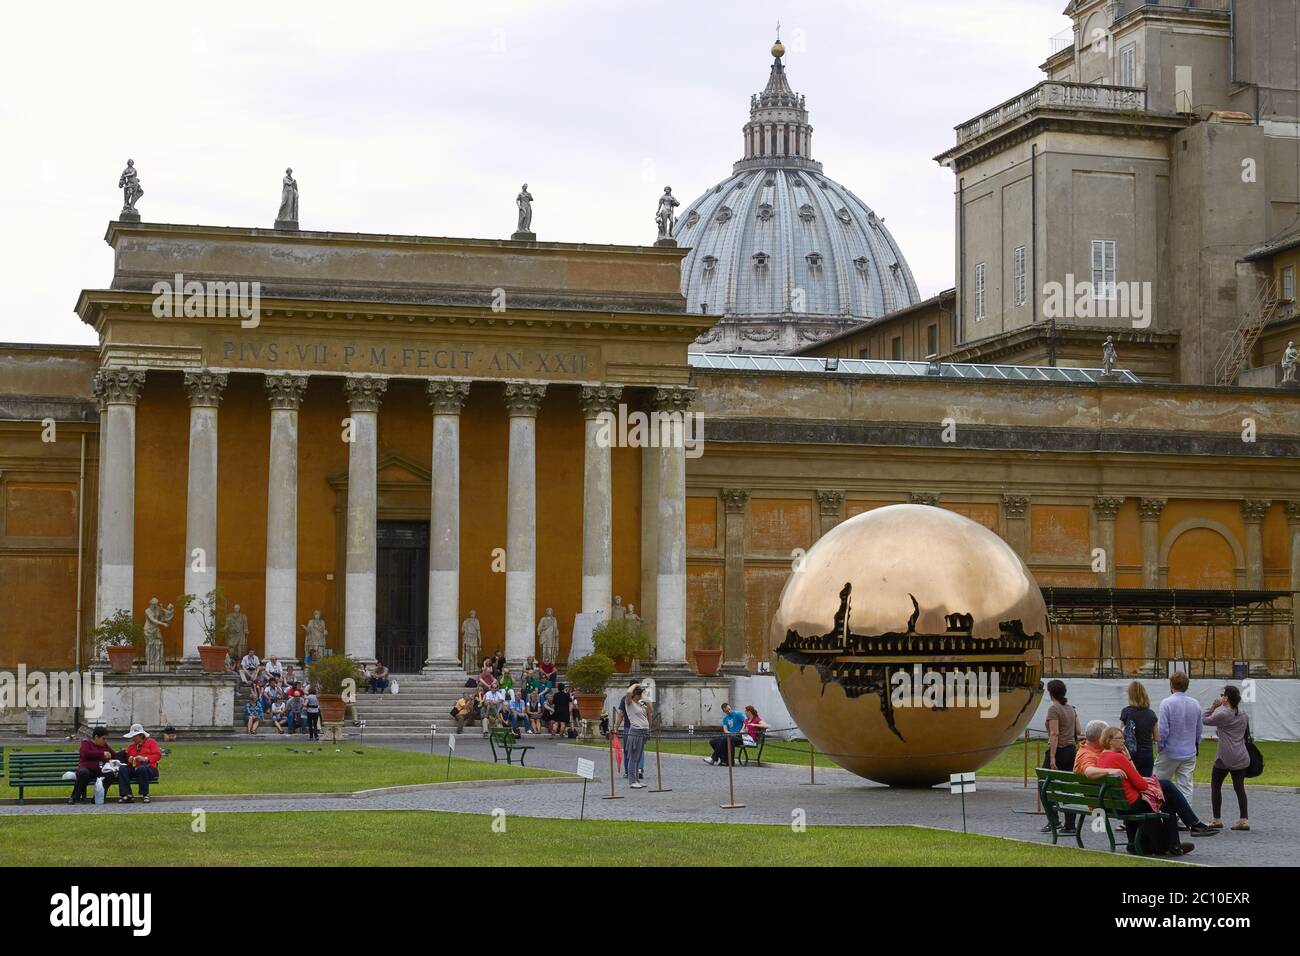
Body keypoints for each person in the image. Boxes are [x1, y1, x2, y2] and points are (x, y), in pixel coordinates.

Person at [1072, 720, 1217, 838]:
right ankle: (1187, 830)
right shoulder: (1090, 755)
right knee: (1166, 790)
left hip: (1110, 800)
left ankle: (1177, 840)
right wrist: (1116, 767)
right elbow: (1090, 772)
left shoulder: (1098, 754)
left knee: (1166, 792)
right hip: (1116, 803)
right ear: (1103, 739)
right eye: (1120, 738)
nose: (1124, 741)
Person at [1096, 726, 1193, 856]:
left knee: (1166, 789)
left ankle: (1144, 844)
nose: (1123, 741)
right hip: (1130, 803)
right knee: (1167, 799)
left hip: (1115, 804)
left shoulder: (1101, 757)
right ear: (1109, 741)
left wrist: (1129, 760)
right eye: (1119, 738)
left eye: (1123, 738)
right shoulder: (1119, 758)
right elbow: (1142, 785)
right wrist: (1128, 759)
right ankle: (1175, 842)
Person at [1204, 685, 1251, 831]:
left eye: (1223, 695)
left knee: (1216, 785)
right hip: (1241, 754)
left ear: (1226, 698)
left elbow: (1203, 719)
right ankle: (1244, 819)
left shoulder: (1223, 714)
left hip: (1225, 755)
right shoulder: (1243, 714)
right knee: (1239, 787)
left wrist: (1212, 706)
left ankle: (1216, 819)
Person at [1039, 679, 1080, 835]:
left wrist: (1052, 757)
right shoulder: (1071, 708)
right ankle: (1070, 824)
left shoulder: (1053, 709)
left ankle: (1054, 821)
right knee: (1067, 787)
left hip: (1059, 750)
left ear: (1051, 693)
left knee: (1043, 785)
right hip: (1071, 750)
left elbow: (1055, 733)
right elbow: (1078, 729)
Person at [1156, 671, 1202, 802]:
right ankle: (1184, 818)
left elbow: (1163, 729)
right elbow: (1199, 729)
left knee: (1157, 782)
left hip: (1170, 751)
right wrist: (1195, 743)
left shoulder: (1167, 703)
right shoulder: (1195, 703)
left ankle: (1157, 813)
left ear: (1171, 685)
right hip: (1189, 751)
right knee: (1186, 786)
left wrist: (1160, 745)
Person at [116, 724, 163, 804]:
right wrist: (129, 760)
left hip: (149, 768)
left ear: (141, 735)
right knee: (122, 769)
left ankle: (145, 794)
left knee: (142, 769)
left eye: (134, 736)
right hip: (134, 768)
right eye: (132, 736)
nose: (132, 738)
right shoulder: (131, 746)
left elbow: (157, 755)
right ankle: (127, 795)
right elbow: (126, 759)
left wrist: (145, 759)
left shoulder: (151, 742)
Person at [69, 727, 118, 804]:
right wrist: (102, 754)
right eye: (103, 739)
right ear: (96, 737)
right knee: (83, 773)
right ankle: (74, 797)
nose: (105, 741)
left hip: (100, 770)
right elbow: (86, 753)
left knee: (110, 774)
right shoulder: (86, 743)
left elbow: (114, 755)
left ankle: (98, 797)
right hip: (87, 769)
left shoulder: (105, 745)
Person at [1120, 681, 1158, 776]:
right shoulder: (1151, 714)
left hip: (1131, 754)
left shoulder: (1126, 712)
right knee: (1146, 783)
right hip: (1147, 754)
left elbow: (1120, 733)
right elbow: (1157, 737)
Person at [623, 684, 652, 790]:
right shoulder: (629, 703)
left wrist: (646, 697)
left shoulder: (641, 704)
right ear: (636, 694)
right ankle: (632, 781)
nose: (641, 696)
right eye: (640, 694)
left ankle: (636, 780)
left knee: (638, 757)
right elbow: (628, 693)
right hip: (635, 731)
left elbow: (650, 711)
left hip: (643, 732)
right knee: (634, 757)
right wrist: (636, 685)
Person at [706, 702, 746, 766]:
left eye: (729, 709)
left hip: (739, 736)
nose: (729, 711)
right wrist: (729, 733)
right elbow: (725, 730)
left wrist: (742, 730)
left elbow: (745, 723)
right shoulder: (725, 718)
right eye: (727, 711)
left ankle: (713, 758)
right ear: (724, 712)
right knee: (713, 741)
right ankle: (724, 760)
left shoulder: (738, 714)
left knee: (724, 739)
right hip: (730, 736)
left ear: (730, 707)